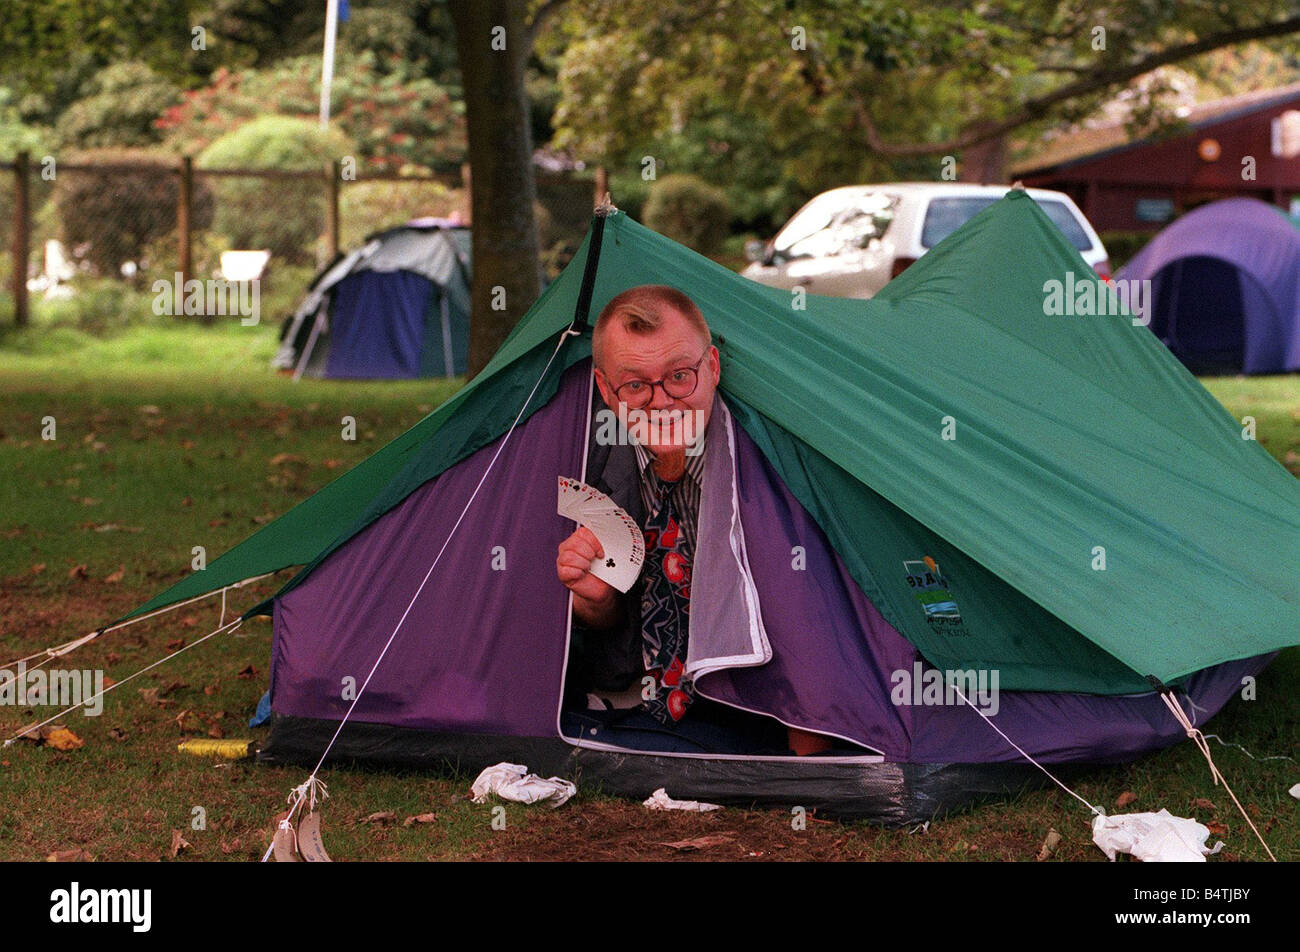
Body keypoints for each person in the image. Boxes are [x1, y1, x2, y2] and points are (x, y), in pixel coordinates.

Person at [555, 285, 830, 755]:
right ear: (605, 389)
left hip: (760, 709)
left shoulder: (774, 466)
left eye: (679, 376)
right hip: (634, 713)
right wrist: (593, 603)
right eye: (636, 386)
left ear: (713, 367)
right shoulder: (582, 457)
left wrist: (807, 756)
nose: (661, 403)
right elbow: (596, 624)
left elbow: (814, 619)